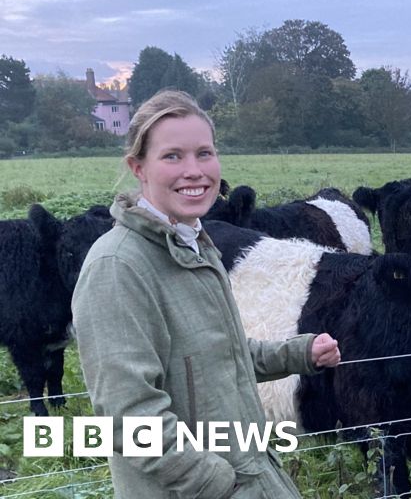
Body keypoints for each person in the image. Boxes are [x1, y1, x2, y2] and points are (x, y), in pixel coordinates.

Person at [72, 89, 342, 498]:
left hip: (248, 471)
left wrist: (298, 354)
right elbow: (129, 416)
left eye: (204, 153)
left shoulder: (195, 244)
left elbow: (223, 353)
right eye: (172, 156)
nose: (194, 170)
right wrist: (215, 482)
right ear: (138, 167)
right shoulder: (118, 267)